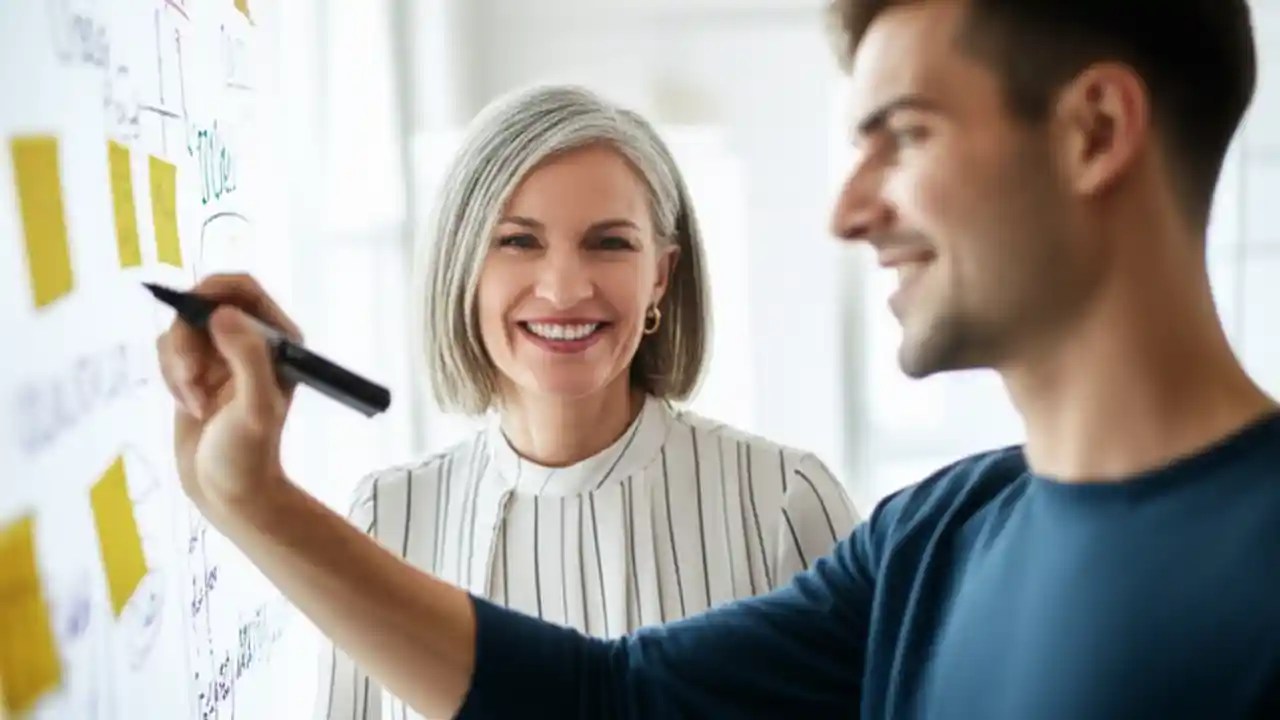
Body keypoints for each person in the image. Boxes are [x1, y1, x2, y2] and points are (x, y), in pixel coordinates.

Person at [155, 0, 1280, 717]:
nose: (845, 212)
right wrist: (250, 498)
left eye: (904, 134)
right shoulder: (928, 546)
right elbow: (606, 704)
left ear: (1092, 130)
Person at [266, 84, 859, 719]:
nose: (565, 288)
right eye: (519, 241)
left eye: (610, 243)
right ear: (462, 267)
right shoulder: (389, 518)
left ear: (660, 274)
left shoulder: (783, 501)